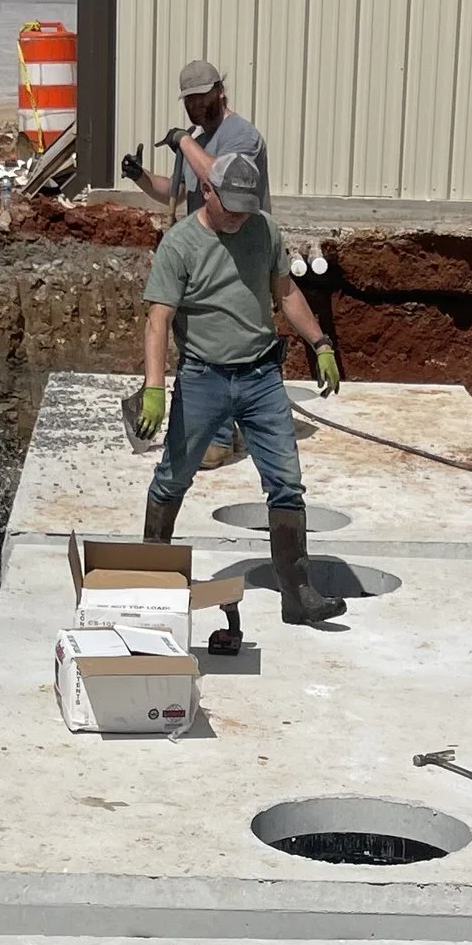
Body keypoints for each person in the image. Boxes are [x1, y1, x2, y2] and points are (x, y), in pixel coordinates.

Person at [135, 151, 346, 625]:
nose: (239, 217)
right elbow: (159, 319)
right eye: (231, 207)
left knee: (286, 483)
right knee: (174, 476)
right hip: (202, 378)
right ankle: (152, 574)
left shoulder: (264, 230)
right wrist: (154, 386)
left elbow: (286, 292)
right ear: (207, 191)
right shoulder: (180, 244)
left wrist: (321, 342)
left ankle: (297, 593)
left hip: (260, 379)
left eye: (246, 208)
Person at [122, 58, 267, 222]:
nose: (195, 104)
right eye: (189, 98)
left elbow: (223, 183)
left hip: (241, 245)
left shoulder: (242, 135)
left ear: (220, 91)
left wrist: (183, 140)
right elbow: (174, 192)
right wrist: (140, 175)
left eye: (202, 95)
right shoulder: (197, 142)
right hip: (206, 244)